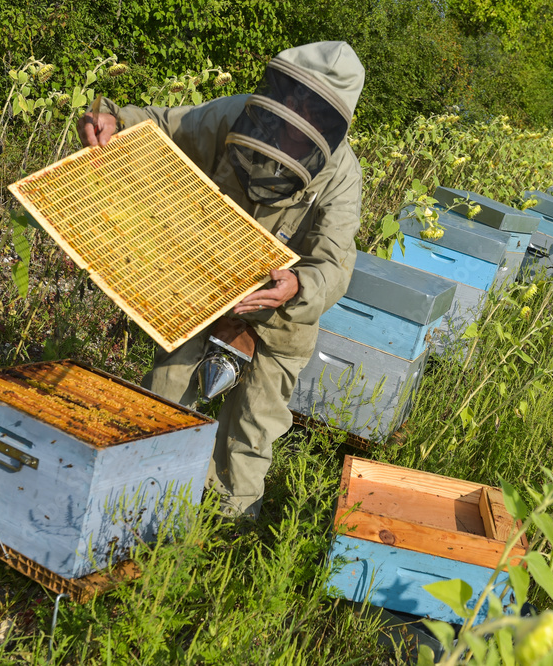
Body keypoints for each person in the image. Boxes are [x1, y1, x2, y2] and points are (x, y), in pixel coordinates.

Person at [78, 42, 365, 519]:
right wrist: (113, 118)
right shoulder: (233, 114)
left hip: (280, 312)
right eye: (291, 102)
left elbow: (334, 264)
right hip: (205, 279)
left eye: (309, 113)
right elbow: (161, 123)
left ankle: (223, 532)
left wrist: (297, 287)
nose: (294, 120)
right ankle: (134, 502)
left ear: (328, 123)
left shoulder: (341, 177)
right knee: (163, 399)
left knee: (250, 435)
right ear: (280, 93)